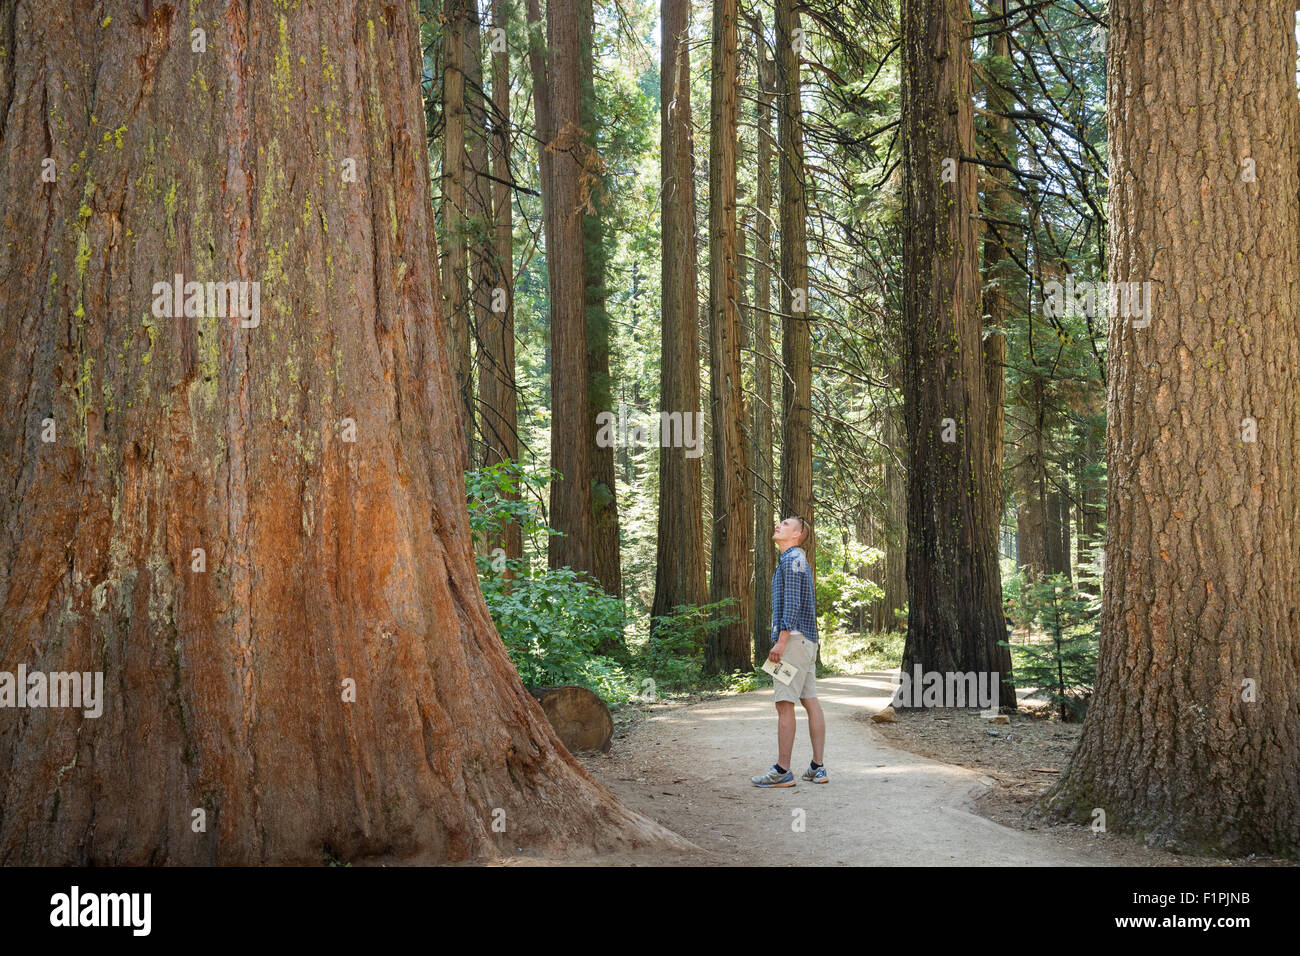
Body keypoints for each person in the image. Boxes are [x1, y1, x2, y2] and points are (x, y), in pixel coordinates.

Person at [751, 515, 827, 787]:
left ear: (797, 534)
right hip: (806, 642)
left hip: (793, 642)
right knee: (811, 701)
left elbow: (792, 603)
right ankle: (817, 767)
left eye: (785, 524)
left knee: (784, 705)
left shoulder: (792, 560)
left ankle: (782, 771)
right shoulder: (796, 560)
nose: (778, 525)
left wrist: (781, 640)